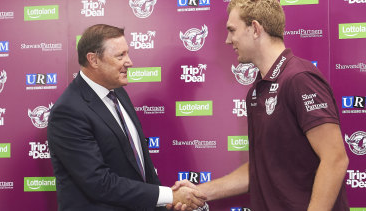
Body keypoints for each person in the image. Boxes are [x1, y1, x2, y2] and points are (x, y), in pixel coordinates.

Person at [171, 0, 350, 210]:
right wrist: (199, 192)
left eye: (232, 30)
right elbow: (261, 169)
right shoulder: (258, 90)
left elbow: (335, 159)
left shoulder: (299, 78)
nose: (228, 40)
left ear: (255, 28)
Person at [47, 24, 206, 211]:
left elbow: (141, 166)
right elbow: (99, 183)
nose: (129, 62)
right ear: (93, 60)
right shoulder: (68, 111)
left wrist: (164, 202)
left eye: (127, 54)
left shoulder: (118, 92)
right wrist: (169, 195)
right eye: (120, 56)